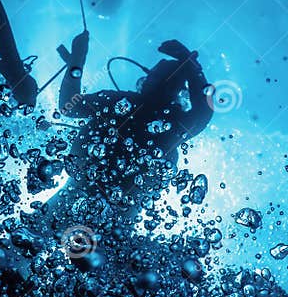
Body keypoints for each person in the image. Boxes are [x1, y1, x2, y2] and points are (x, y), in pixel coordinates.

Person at [44, 32, 214, 229]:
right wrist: (192, 67)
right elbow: (203, 113)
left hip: (81, 193)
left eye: (156, 74)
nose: (150, 77)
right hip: (118, 212)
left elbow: (68, 105)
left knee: (29, 240)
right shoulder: (174, 124)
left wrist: (77, 60)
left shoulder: (120, 102)